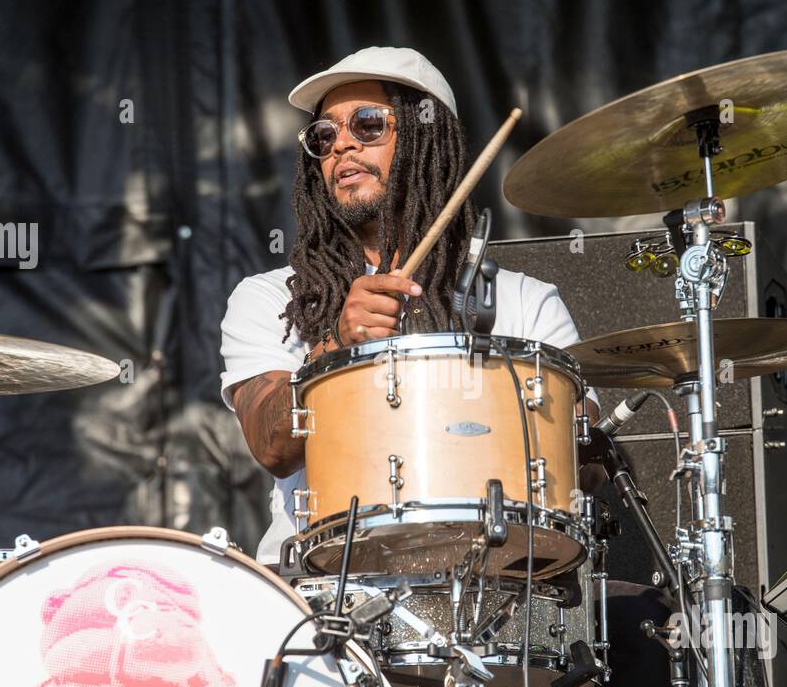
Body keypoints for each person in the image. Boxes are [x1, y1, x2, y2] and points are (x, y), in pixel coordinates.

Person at [219, 46, 595, 565]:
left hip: (499, 580)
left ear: (426, 140)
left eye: (368, 124)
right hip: (318, 588)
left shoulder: (526, 303)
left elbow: (584, 466)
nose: (342, 144)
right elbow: (272, 448)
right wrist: (335, 348)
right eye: (323, 135)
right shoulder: (269, 299)